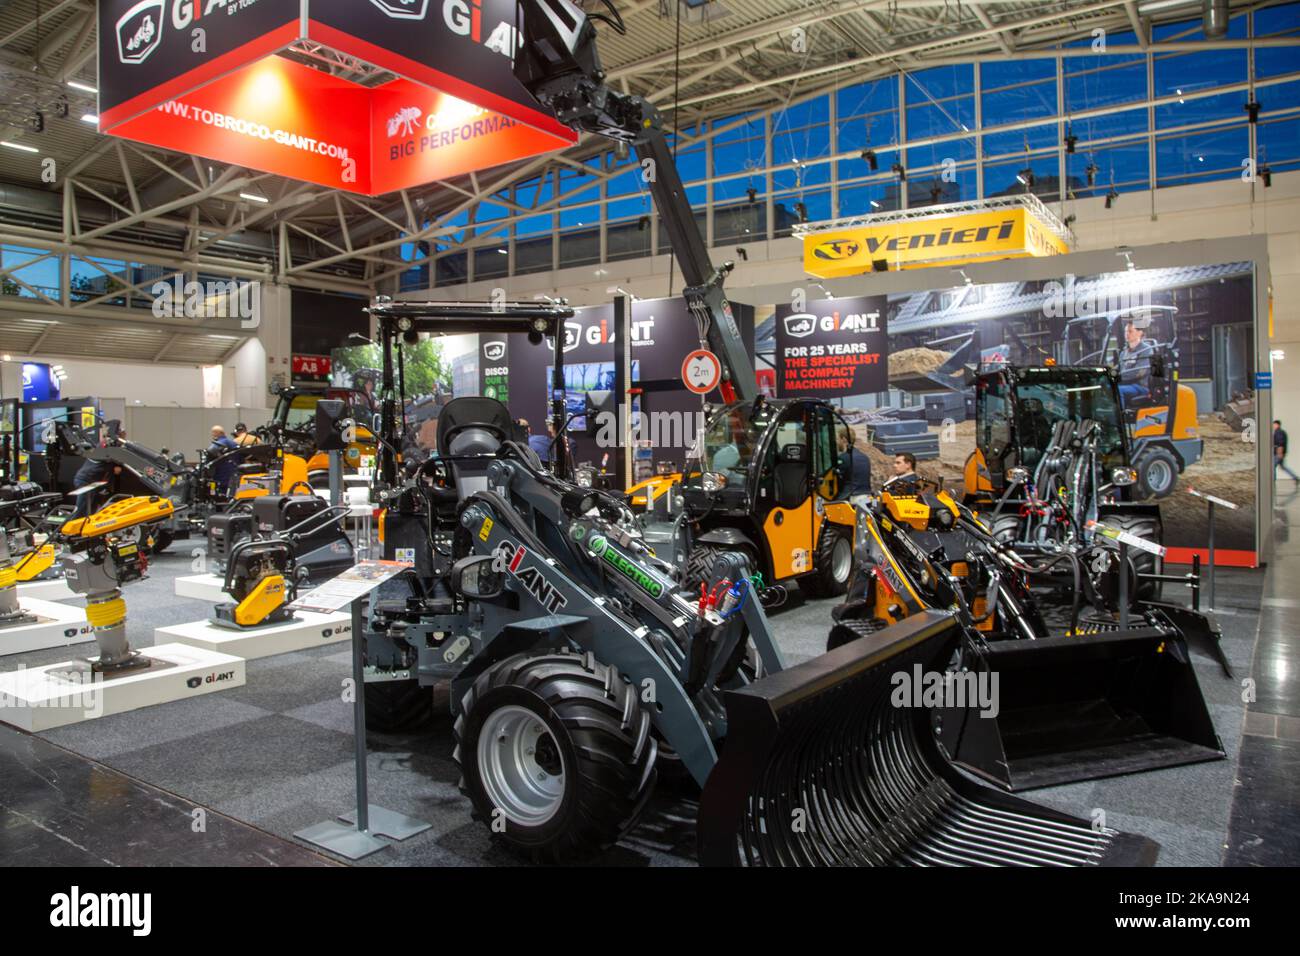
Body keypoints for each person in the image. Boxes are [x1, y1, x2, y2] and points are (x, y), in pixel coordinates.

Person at [1117, 317, 1155, 407]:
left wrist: (1118, 377)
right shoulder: (1124, 352)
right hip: (1126, 384)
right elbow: (1119, 368)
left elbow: (1139, 372)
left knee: (1117, 390)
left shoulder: (1146, 350)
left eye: (1130, 331)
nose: (1127, 334)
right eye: (1126, 331)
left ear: (1139, 333)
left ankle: (1120, 419)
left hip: (1140, 386)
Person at [836, 425, 872, 499]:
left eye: (838, 439)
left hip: (849, 496)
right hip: (867, 495)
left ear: (844, 439)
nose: (837, 442)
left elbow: (837, 480)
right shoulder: (865, 457)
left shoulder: (844, 458)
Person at [208, 425, 240, 496]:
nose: (212, 434)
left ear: (217, 433)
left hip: (222, 476)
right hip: (234, 475)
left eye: (213, 432)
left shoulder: (220, 442)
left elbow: (210, 451)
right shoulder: (233, 443)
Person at [1275, 420, 1298, 484]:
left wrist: (1280, 453)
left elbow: (1280, 444)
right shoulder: (1280, 432)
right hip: (1280, 453)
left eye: (1274, 424)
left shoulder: (1279, 432)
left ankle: (1272, 481)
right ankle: (1295, 477)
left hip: (1278, 454)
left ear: (1277, 425)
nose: (1273, 426)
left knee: (1272, 467)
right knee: (1283, 467)